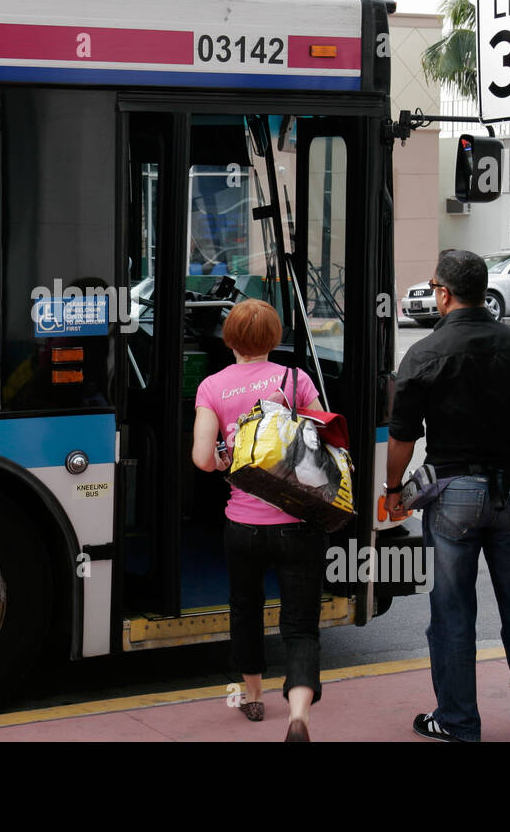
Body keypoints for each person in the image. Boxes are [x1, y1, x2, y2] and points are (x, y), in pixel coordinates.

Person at [386, 250, 510, 742]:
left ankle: (459, 721)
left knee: (453, 611)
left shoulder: (423, 352)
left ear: (443, 292)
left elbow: (403, 435)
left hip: (453, 495)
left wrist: (393, 489)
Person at [191, 299, 326, 742]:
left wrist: (229, 455)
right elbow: (321, 438)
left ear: (229, 339)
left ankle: (252, 695)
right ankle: (299, 715)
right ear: (274, 337)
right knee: (301, 622)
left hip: (242, 525)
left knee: (245, 608)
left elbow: (202, 459)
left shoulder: (211, 387)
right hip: (297, 522)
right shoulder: (295, 379)